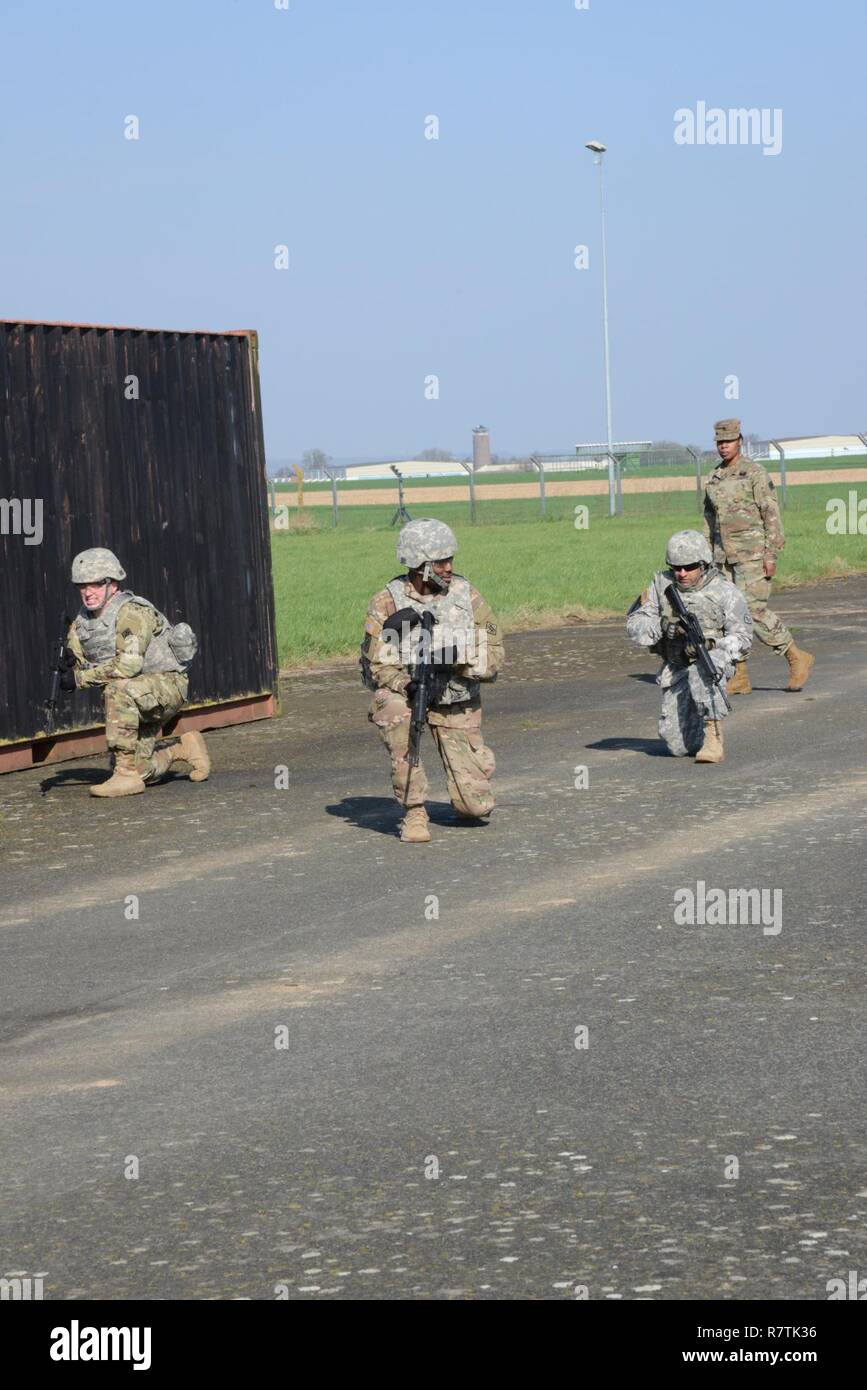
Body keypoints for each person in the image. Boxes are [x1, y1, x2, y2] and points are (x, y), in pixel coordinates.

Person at [360, 518, 503, 842]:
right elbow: (377, 664)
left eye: (450, 559)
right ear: (420, 565)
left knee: (475, 809)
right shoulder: (388, 602)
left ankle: (475, 768)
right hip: (410, 693)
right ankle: (414, 812)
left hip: (456, 697)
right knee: (391, 709)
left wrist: (457, 660)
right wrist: (407, 685)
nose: (448, 567)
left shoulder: (468, 596)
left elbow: (495, 654)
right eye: (440, 562)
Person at [61, 548, 210, 798]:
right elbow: (86, 664)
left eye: (97, 584)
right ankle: (180, 749)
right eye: (82, 585)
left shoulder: (133, 612)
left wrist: (79, 679)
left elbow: (127, 667)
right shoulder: (82, 623)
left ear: (113, 584)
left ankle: (125, 776)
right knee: (141, 769)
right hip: (138, 698)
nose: (88, 592)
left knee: (118, 689)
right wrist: (71, 666)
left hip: (167, 686)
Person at [703, 418, 814, 693]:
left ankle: (795, 656)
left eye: (728, 441)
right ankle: (739, 674)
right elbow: (708, 520)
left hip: (753, 555)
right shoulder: (715, 478)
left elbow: (771, 514)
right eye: (719, 442)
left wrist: (771, 553)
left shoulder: (755, 473)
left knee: (753, 611)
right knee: (727, 615)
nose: (723, 447)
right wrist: (706, 555)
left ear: (739, 441)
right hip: (723, 558)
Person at [627, 529, 753, 763]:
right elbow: (634, 625)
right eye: (676, 567)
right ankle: (696, 728)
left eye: (689, 567)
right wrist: (663, 625)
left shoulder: (725, 592)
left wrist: (712, 643)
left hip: (712, 661)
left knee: (704, 667)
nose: (681, 573)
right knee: (677, 747)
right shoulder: (660, 585)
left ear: (703, 563)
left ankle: (713, 735)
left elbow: (744, 638)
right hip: (676, 666)